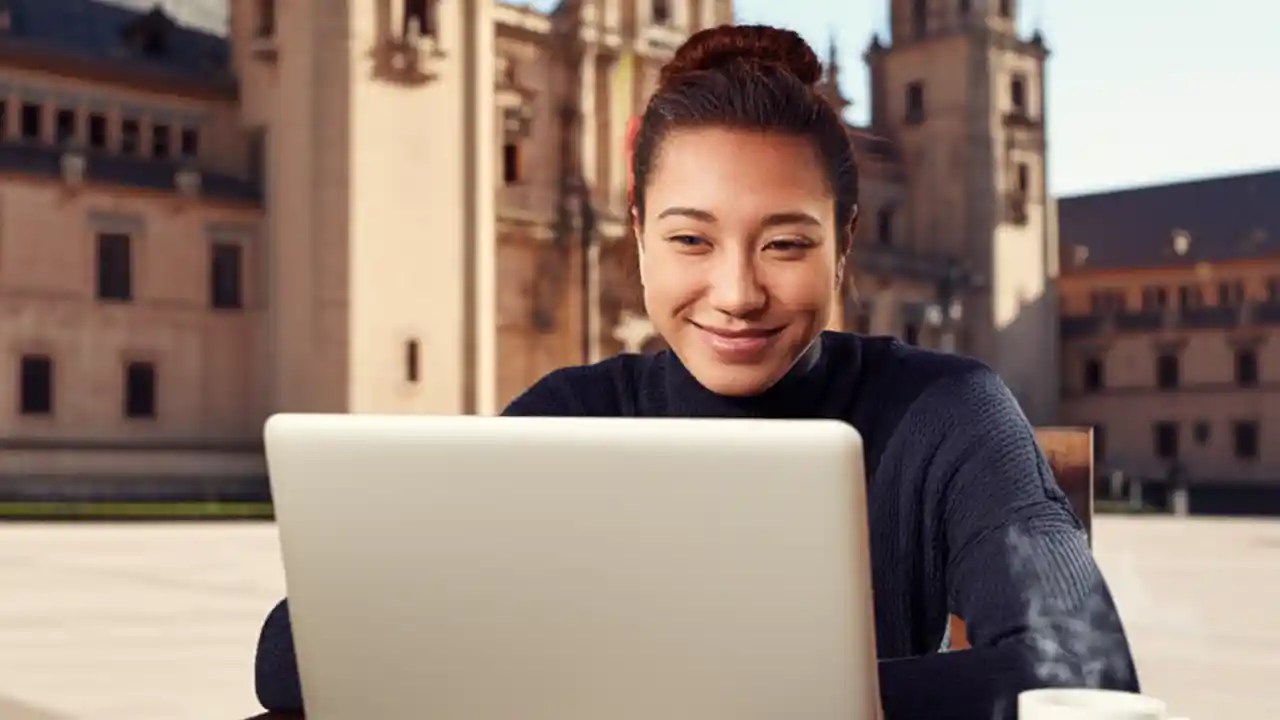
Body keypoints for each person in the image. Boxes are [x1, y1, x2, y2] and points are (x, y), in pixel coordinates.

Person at [254, 24, 1138, 719]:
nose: (737, 292)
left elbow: (1087, 664)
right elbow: (294, 650)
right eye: (689, 239)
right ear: (637, 235)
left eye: (786, 243)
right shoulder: (570, 418)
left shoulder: (947, 414)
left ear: (846, 243)